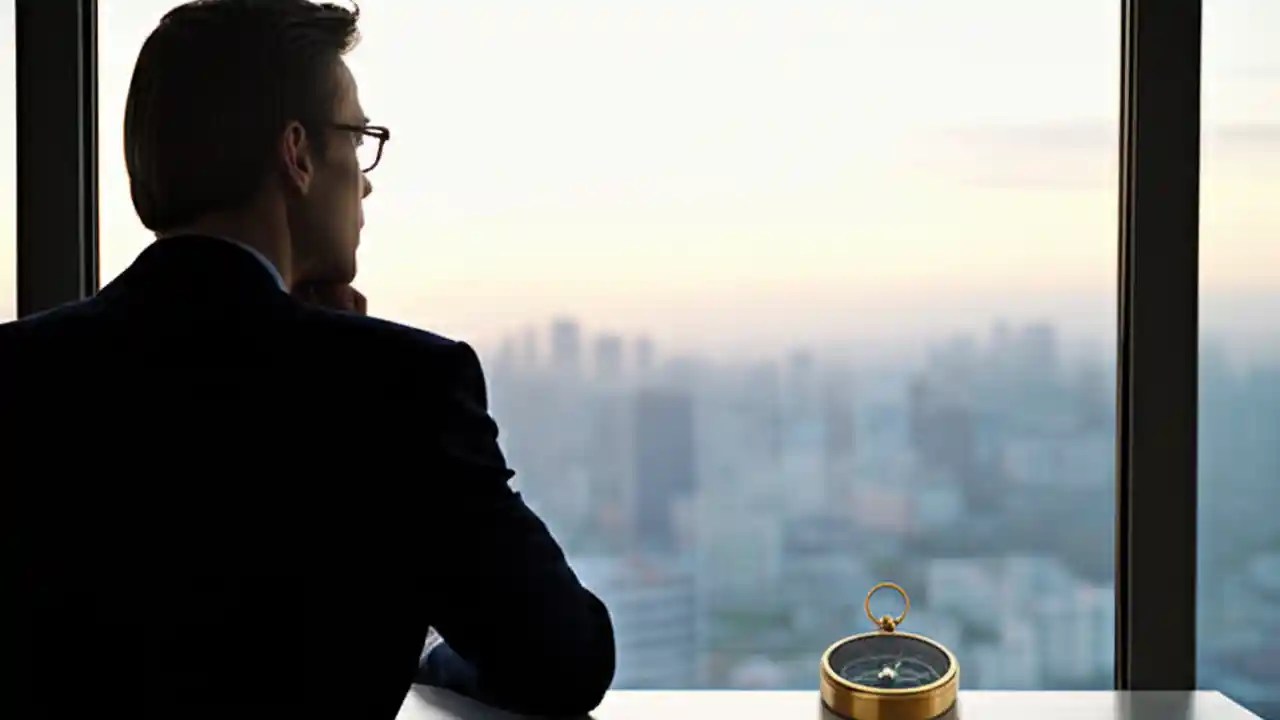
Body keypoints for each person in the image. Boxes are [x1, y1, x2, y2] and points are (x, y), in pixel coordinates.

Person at [0, 1, 614, 718]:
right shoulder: (397, 390)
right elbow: (565, 654)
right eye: (357, 137)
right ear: (296, 154)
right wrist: (430, 660)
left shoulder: (18, 373)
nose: (367, 178)